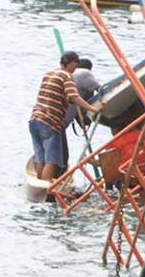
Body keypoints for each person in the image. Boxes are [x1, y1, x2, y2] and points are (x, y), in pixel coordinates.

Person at [29, 51, 102, 181]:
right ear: (72, 63)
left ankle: (39, 185)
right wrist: (93, 109)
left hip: (35, 119)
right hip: (50, 122)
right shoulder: (67, 76)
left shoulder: (49, 73)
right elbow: (74, 97)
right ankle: (47, 190)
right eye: (75, 64)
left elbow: (59, 96)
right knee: (52, 160)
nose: (75, 69)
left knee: (41, 157)